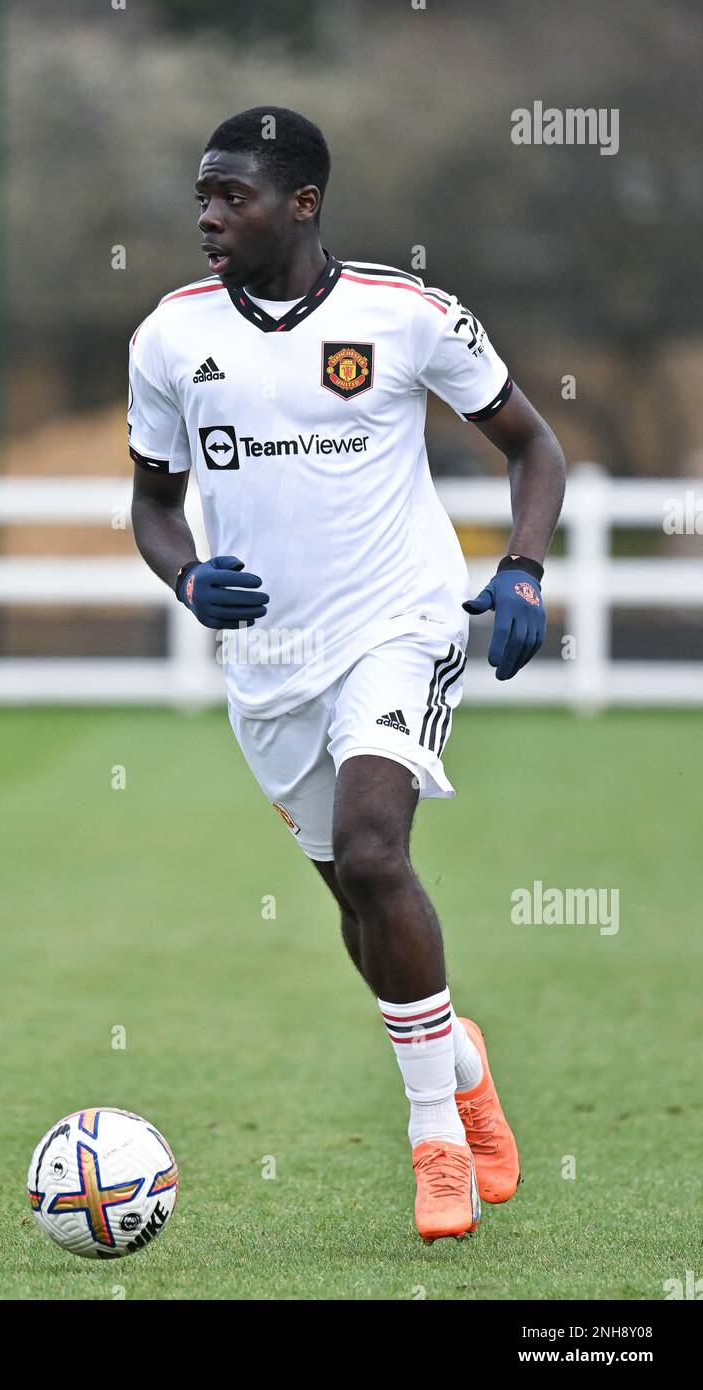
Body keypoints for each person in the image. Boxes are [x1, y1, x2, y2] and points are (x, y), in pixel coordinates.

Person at [129, 106, 565, 1242]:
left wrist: (517, 569)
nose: (208, 218)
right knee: (357, 898)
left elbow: (532, 444)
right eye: (202, 198)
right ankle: (458, 1055)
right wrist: (186, 582)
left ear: (302, 203)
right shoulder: (168, 338)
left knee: (377, 849)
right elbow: (151, 505)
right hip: (268, 667)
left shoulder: (406, 315)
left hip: (399, 621)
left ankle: (434, 1142)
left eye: (232, 197)